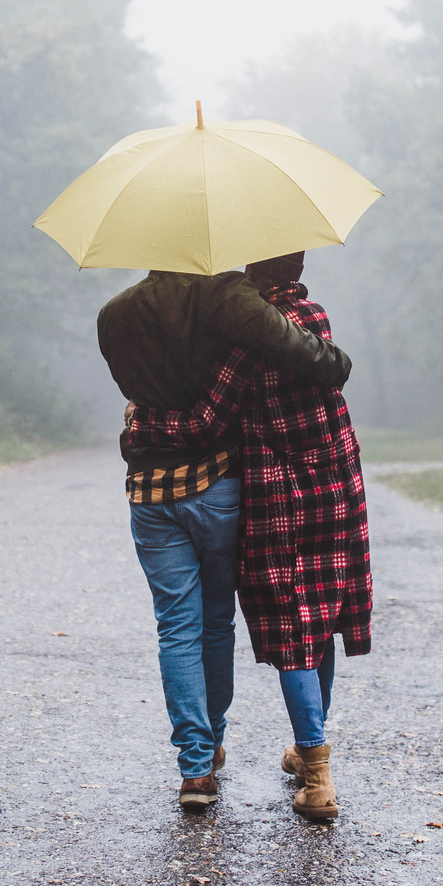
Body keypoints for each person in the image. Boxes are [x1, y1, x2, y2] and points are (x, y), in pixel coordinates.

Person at [122, 251, 372, 822]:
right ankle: (298, 752)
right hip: (335, 484)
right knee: (318, 617)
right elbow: (330, 372)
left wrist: (143, 423)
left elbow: (208, 419)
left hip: (276, 492)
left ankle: (275, 767)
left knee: (280, 624)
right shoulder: (314, 314)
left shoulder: (239, 335)